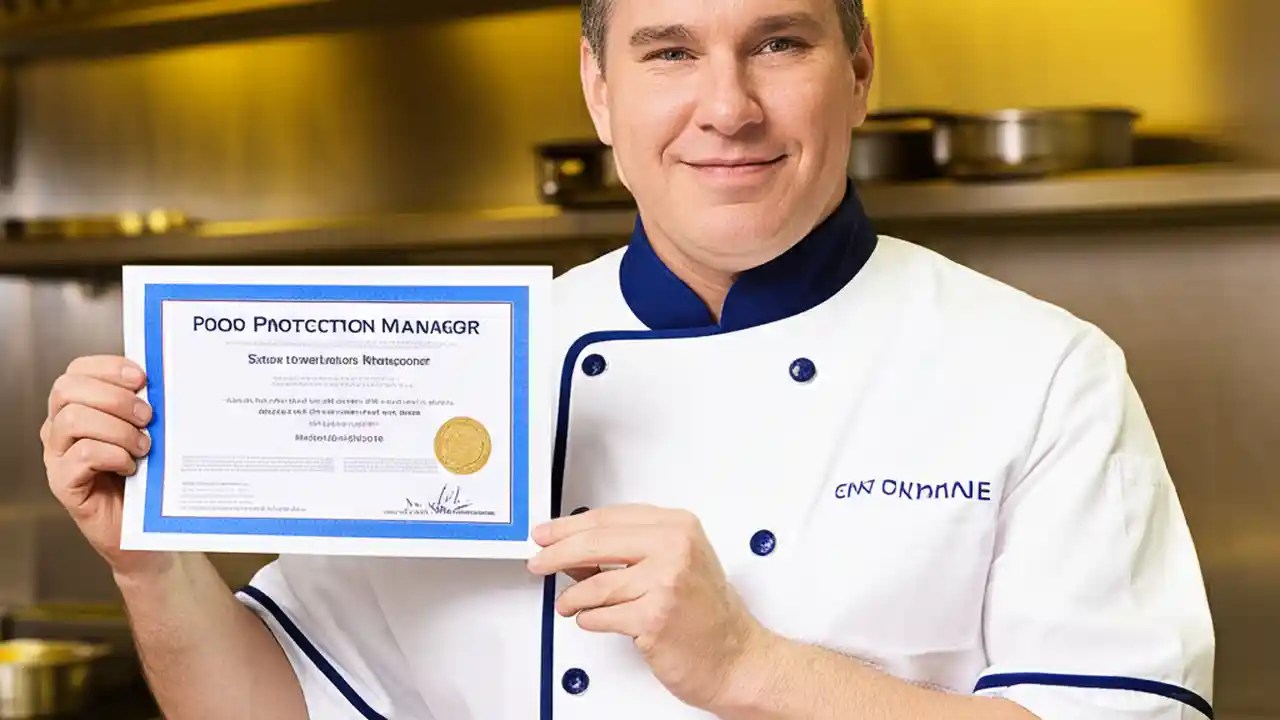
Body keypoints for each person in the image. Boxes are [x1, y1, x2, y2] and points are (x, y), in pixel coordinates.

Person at [39, 0, 1215, 718]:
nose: (726, 106)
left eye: (777, 42)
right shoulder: (471, 362)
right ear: (598, 92)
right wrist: (153, 567)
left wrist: (748, 665)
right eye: (666, 53)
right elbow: (274, 707)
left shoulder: (1038, 372)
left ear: (860, 70)